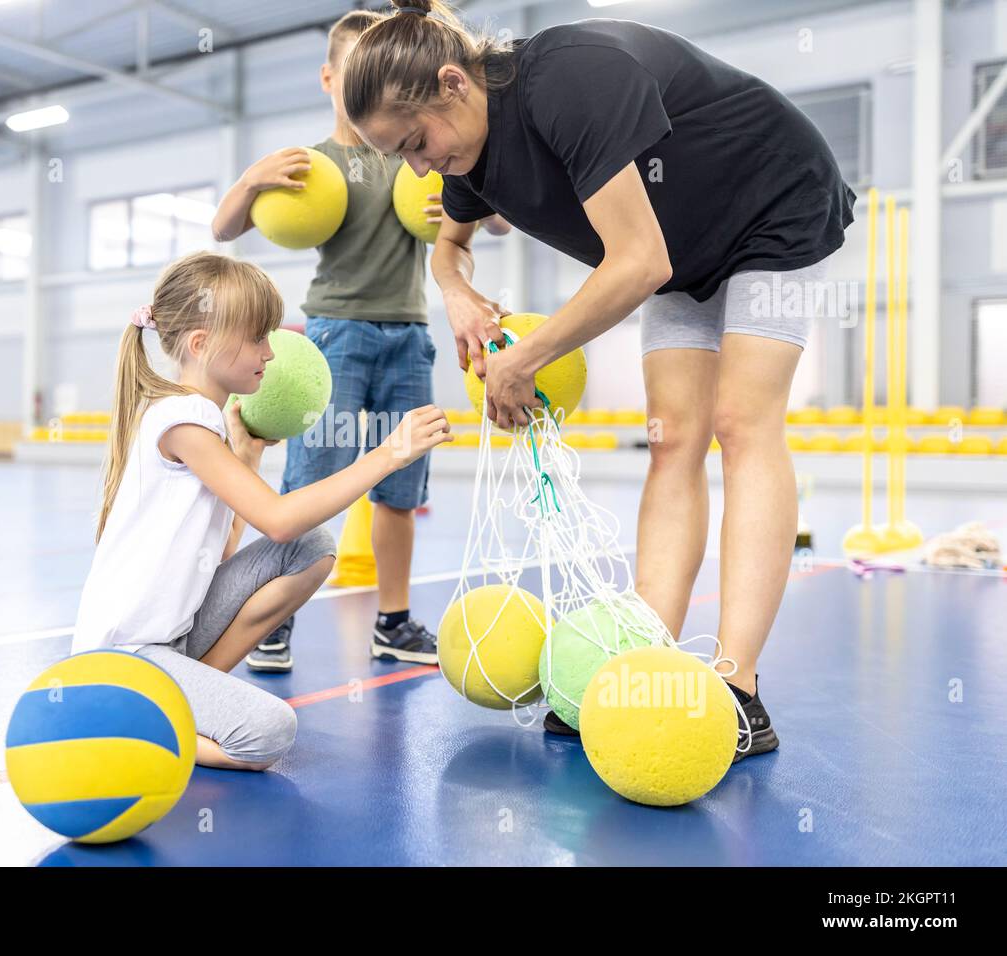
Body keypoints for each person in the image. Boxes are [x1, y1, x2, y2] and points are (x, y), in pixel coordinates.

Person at [342, 1, 857, 759]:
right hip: (682, 248)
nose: (417, 167)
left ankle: (736, 687)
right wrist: (457, 293)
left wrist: (524, 357)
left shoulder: (566, 78)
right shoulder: (468, 157)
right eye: (400, 156)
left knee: (741, 423)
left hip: (774, 199)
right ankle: (643, 667)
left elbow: (638, 261)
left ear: (452, 82)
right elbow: (446, 250)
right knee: (672, 436)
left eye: (415, 142)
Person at [71, 251, 452, 770]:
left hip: (174, 638)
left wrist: (246, 454)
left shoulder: (199, 417)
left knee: (310, 549)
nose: (270, 353)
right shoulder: (182, 419)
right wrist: (389, 454)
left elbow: (223, 549)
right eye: (257, 338)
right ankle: (141, 726)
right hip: (127, 656)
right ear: (201, 344)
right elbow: (278, 517)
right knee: (268, 734)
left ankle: (183, 689)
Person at [211, 11, 510, 673]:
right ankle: (271, 619)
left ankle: (394, 623)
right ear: (330, 79)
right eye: (352, 77)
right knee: (310, 481)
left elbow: (498, 227)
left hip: (408, 336)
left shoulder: (422, 153)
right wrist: (251, 179)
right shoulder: (312, 164)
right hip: (335, 337)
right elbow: (225, 229)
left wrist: (473, 211)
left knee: (401, 489)